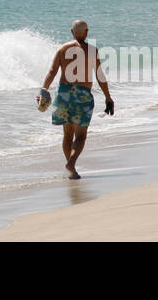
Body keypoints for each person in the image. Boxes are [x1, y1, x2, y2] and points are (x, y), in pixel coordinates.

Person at [36, 19, 113, 180]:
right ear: (86, 32)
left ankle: (71, 169)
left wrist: (44, 90)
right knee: (81, 135)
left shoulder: (62, 49)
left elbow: (52, 71)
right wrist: (108, 98)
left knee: (67, 133)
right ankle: (71, 164)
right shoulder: (92, 51)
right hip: (82, 95)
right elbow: (100, 76)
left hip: (63, 93)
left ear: (72, 32)